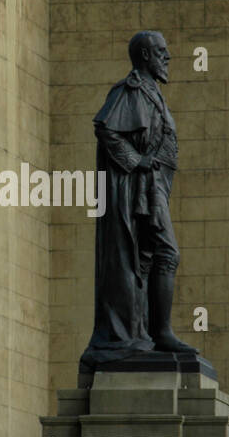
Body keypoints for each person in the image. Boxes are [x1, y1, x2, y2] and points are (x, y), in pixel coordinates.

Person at [81, 32, 200, 365]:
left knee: (152, 257)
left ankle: (150, 331)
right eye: (162, 52)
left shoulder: (153, 94)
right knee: (166, 252)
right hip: (135, 190)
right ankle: (160, 332)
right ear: (146, 55)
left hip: (153, 189)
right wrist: (136, 160)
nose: (168, 57)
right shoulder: (129, 90)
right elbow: (106, 129)